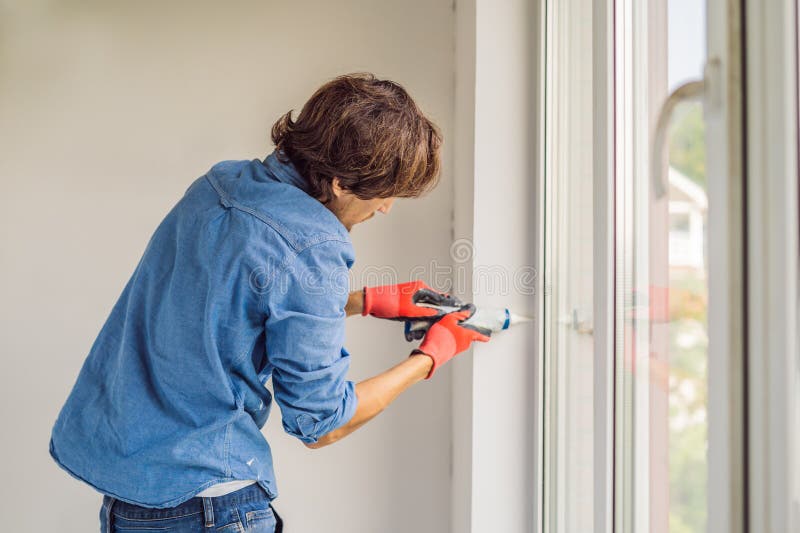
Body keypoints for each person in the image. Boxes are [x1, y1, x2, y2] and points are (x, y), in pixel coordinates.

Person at [49, 73, 490, 533]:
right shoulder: (314, 245)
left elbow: (226, 308)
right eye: (383, 194)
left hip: (129, 498)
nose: (386, 209)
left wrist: (365, 301)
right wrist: (430, 356)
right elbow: (321, 423)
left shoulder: (221, 185)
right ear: (339, 183)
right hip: (208, 506)